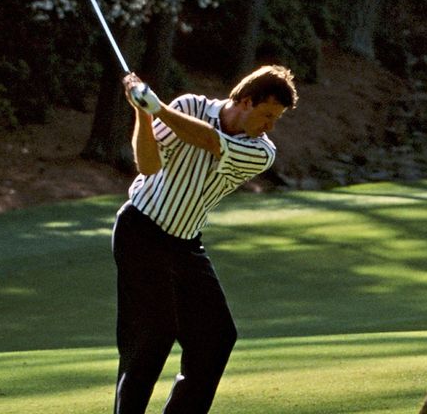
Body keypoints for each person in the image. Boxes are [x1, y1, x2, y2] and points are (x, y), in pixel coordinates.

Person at [112, 64, 298, 414]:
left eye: (277, 119)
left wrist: (158, 109)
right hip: (140, 230)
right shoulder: (190, 106)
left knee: (216, 338)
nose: (270, 126)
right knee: (153, 336)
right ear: (245, 101)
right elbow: (149, 166)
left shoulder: (261, 151)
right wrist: (144, 114)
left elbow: (210, 141)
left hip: (185, 243)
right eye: (267, 115)